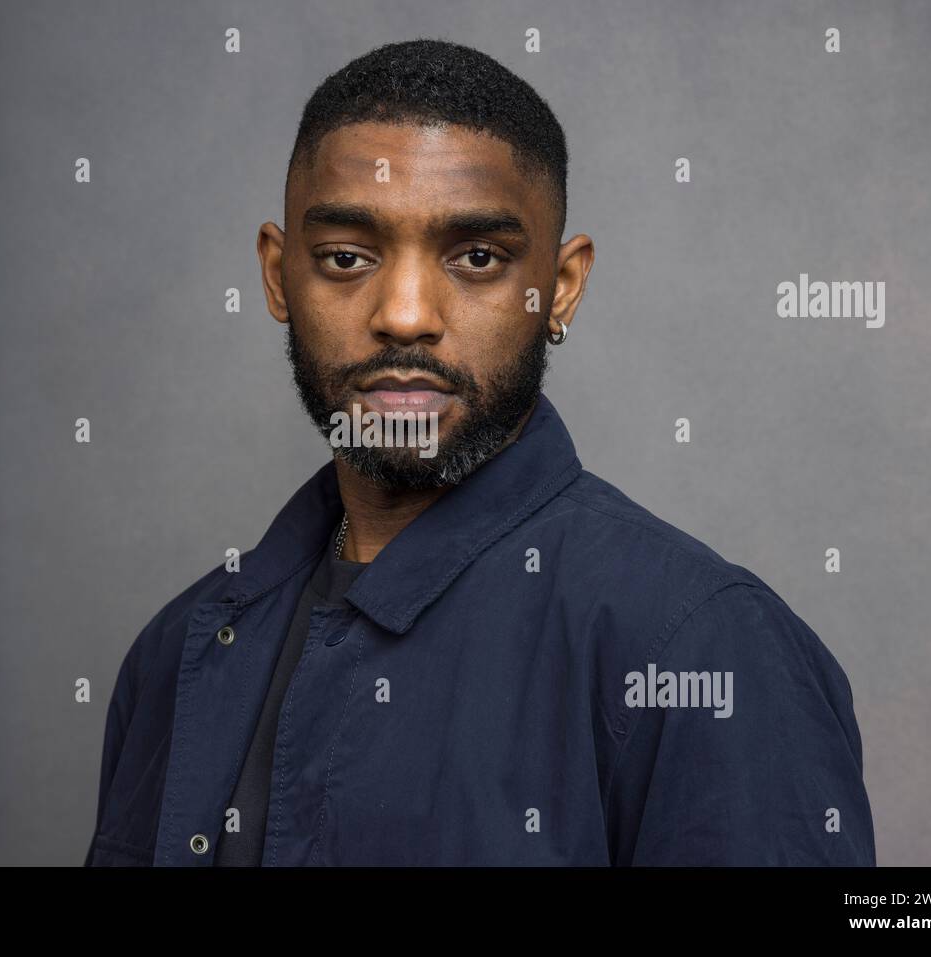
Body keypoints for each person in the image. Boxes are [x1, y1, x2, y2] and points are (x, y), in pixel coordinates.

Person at [84, 37, 875, 866]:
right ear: (280, 276)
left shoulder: (702, 648)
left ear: (561, 287)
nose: (404, 313)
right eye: (346, 257)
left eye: (477, 258)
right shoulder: (179, 650)